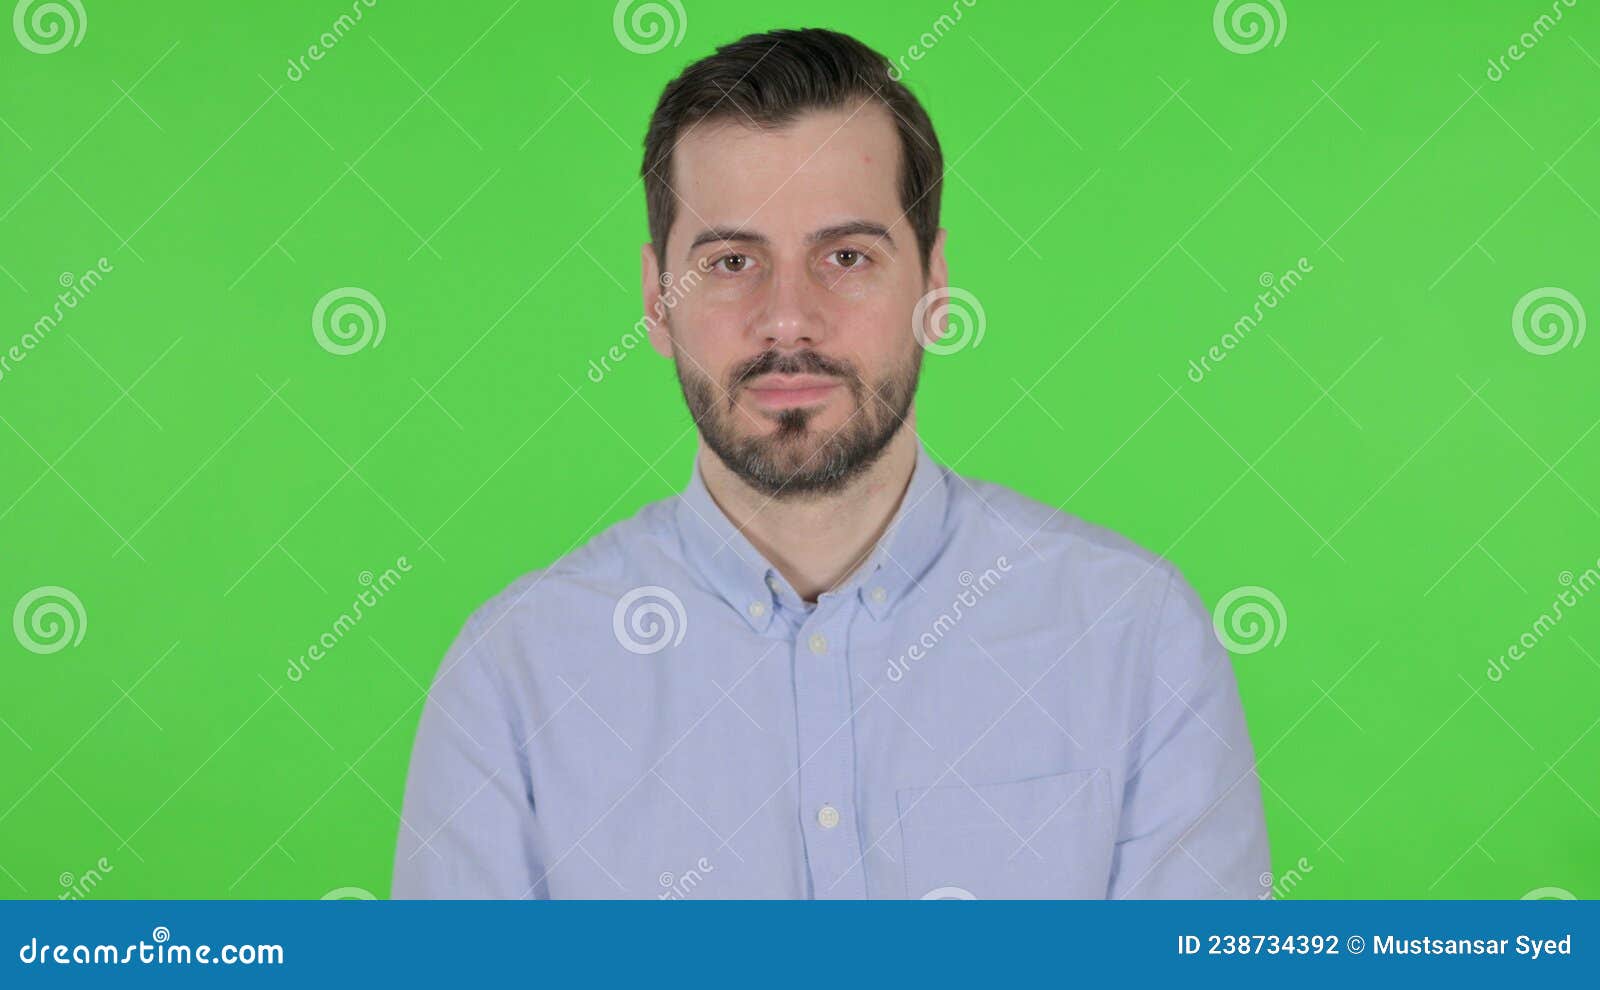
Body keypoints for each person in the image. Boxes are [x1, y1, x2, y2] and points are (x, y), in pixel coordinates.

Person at [393, 26, 1269, 899]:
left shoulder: (1134, 636)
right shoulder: (514, 678)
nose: (788, 319)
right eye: (732, 262)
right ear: (658, 301)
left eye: (845, 257)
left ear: (933, 288)